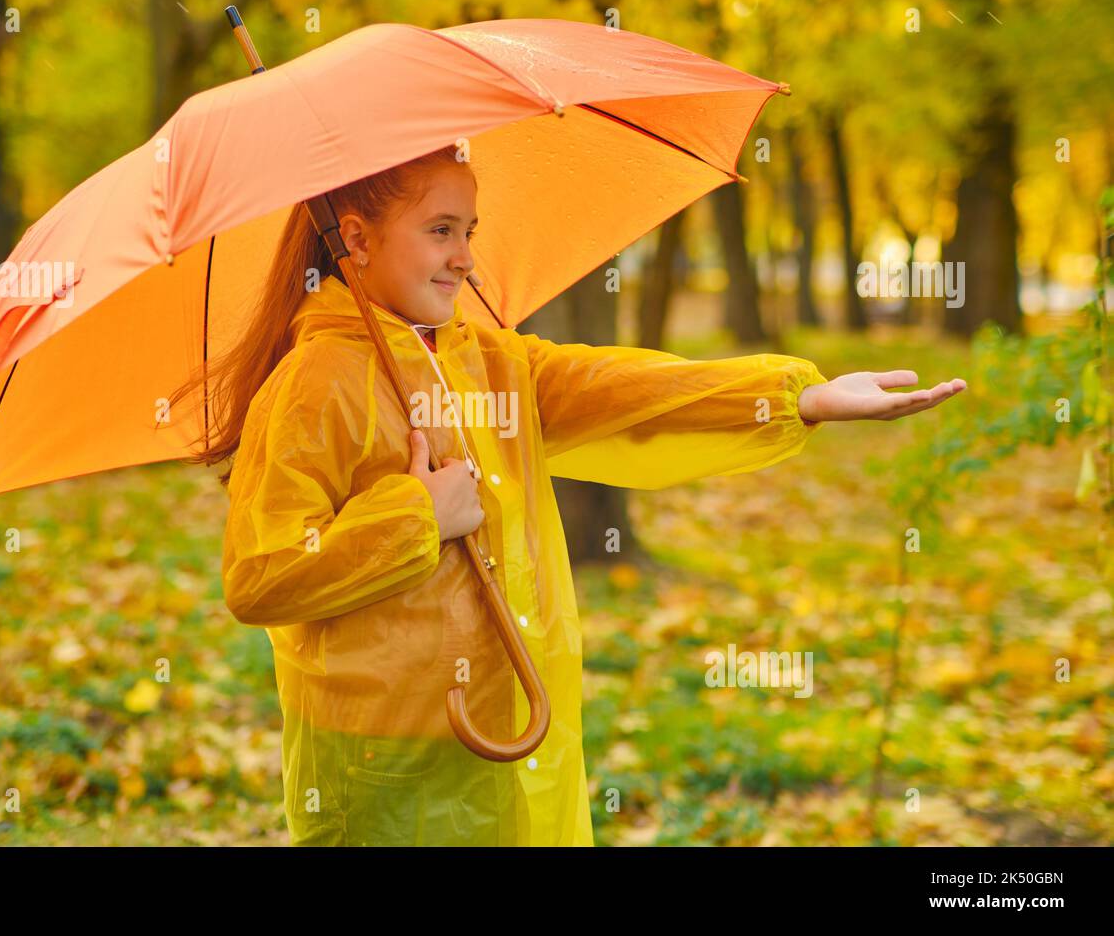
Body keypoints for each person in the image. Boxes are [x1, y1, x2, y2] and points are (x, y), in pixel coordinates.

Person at [173, 145, 967, 846]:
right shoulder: (315, 385)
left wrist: (797, 397)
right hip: (380, 766)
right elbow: (261, 574)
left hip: (503, 733)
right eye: (441, 231)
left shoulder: (480, 359)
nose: (466, 261)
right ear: (356, 238)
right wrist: (419, 515)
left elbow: (617, 387)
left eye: (469, 233)